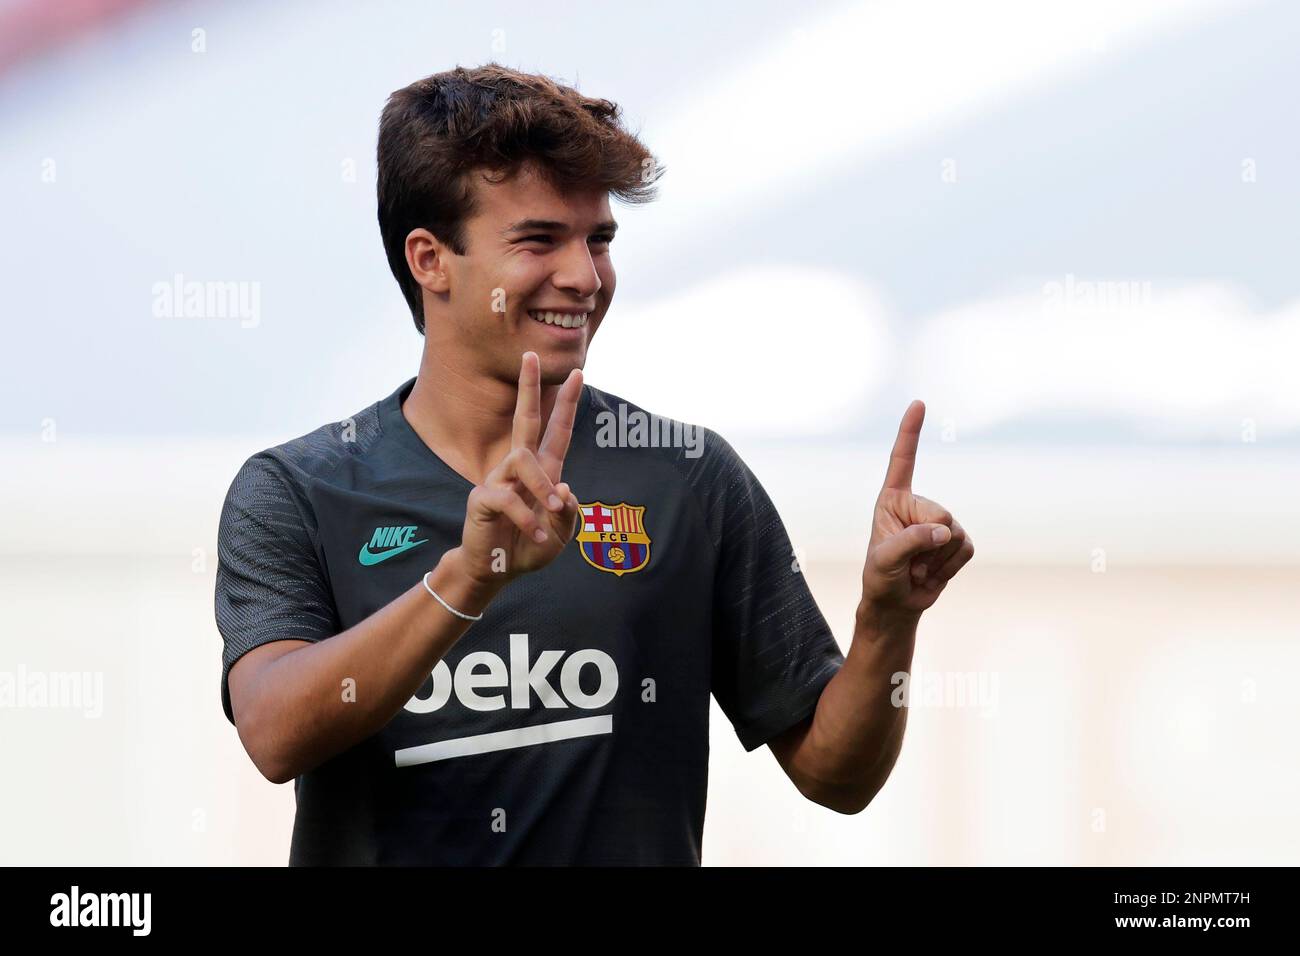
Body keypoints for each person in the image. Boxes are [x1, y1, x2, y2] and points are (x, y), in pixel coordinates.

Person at [214, 63, 974, 865]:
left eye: (599, 240)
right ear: (430, 259)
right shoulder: (298, 491)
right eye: (539, 240)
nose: (584, 277)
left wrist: (887, 622)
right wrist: (468, 579)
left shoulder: (687, 475)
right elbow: (273, 732)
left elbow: (836, 775)